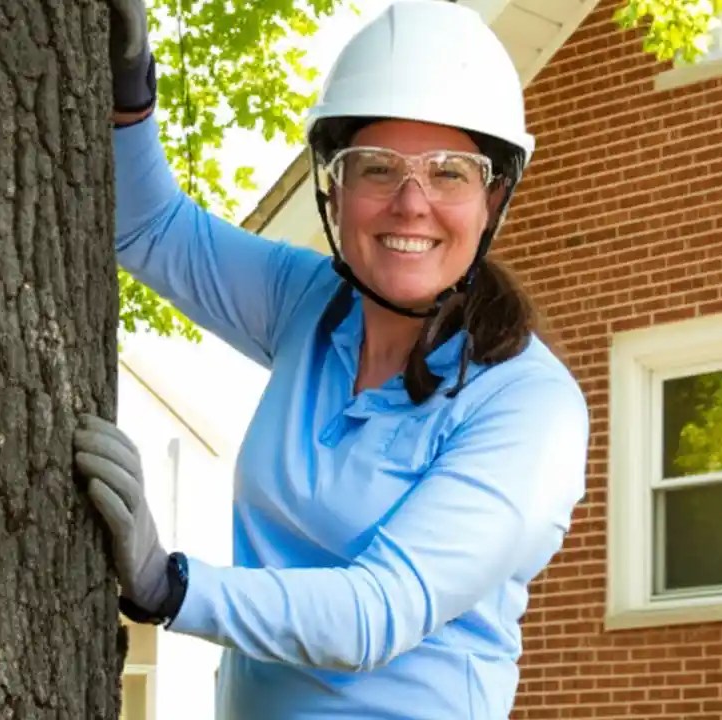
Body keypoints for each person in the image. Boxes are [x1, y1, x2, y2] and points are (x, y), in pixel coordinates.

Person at [74, 0, 590, 717]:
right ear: (334, 189)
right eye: (377, 168)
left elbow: (377, 612)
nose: (412, 203)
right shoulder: (309, 303)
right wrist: (130, 93)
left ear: (492, 197)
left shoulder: (530, 406)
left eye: (450, 173)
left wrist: (167, 583)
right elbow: (150, 228)